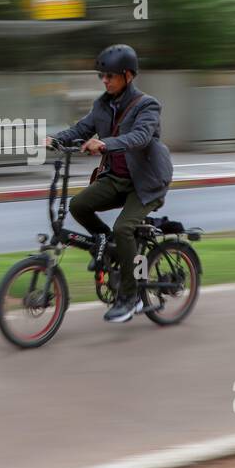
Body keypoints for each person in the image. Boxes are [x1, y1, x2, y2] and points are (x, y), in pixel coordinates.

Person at [44, 44, 174, 322]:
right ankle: (112, 247)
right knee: (79, 205)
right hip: (117, 178)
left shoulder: (147, 106)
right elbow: (82, 128)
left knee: (125, 226)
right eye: (102, 76)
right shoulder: (102, 105)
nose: (104, 80)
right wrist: (57, 139)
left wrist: (105, 144)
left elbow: (139, 137)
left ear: (128, 75)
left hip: (146, 183)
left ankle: (130, 297)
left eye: (110, 76)